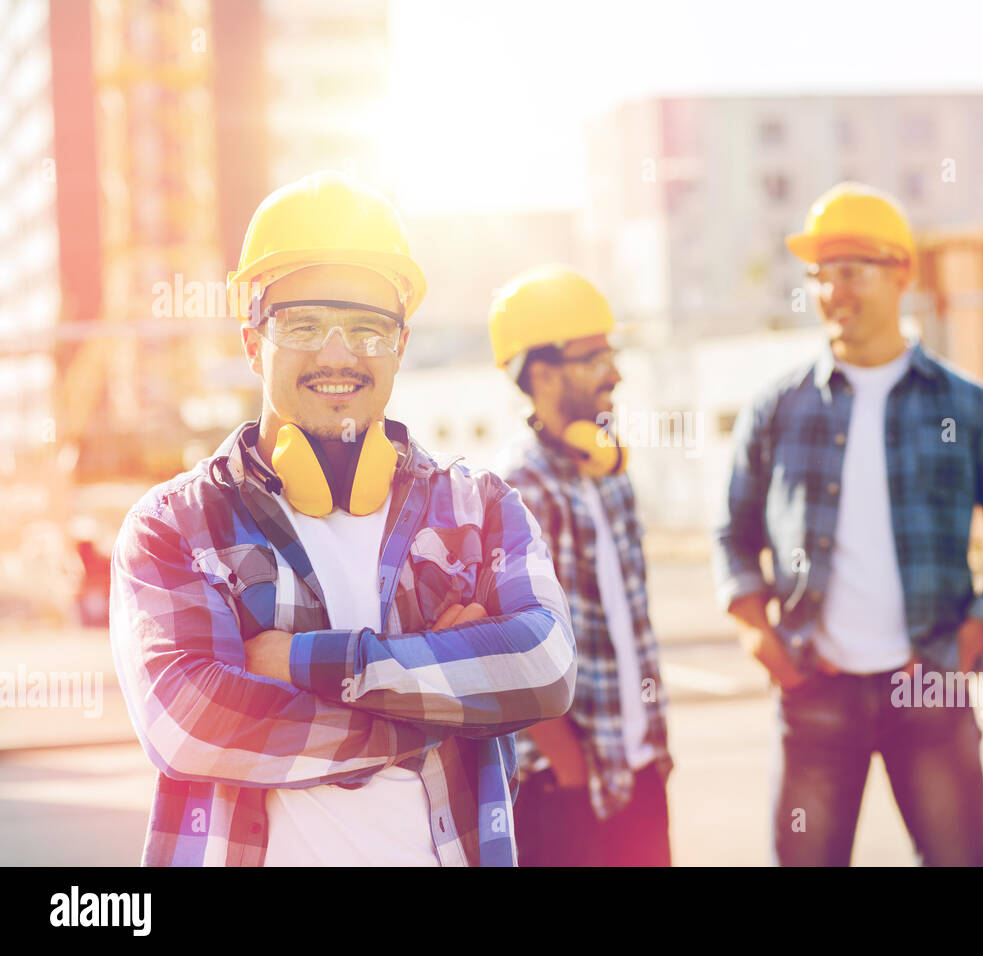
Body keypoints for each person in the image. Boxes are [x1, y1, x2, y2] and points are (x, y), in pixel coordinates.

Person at [108, 171, 575, 867]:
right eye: (302, 324)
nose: (338, 353)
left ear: (402, 345)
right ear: (251, 342)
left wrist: (300, 662)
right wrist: (442, 709)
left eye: (368, 328)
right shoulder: (176, 526)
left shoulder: (480, 507)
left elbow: (543, 666)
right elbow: (192, 724)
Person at [713, 183, 983, 867]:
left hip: (929, 681)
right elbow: (733, 532)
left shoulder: (966, 405)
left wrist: (979, 631)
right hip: (814, 687)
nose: (832, 291)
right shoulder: (778, 408)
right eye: (819, 276)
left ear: (903, 274)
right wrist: (760, 636)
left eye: (850, 272)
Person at [491, 266, 673, 866]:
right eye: (595, 358)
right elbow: (508, 651)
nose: (615, 374)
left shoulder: (609, 474)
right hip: (564, 788)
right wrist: (569, 768)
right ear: (542, 373)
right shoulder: (517, 492)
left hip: (639, 769)